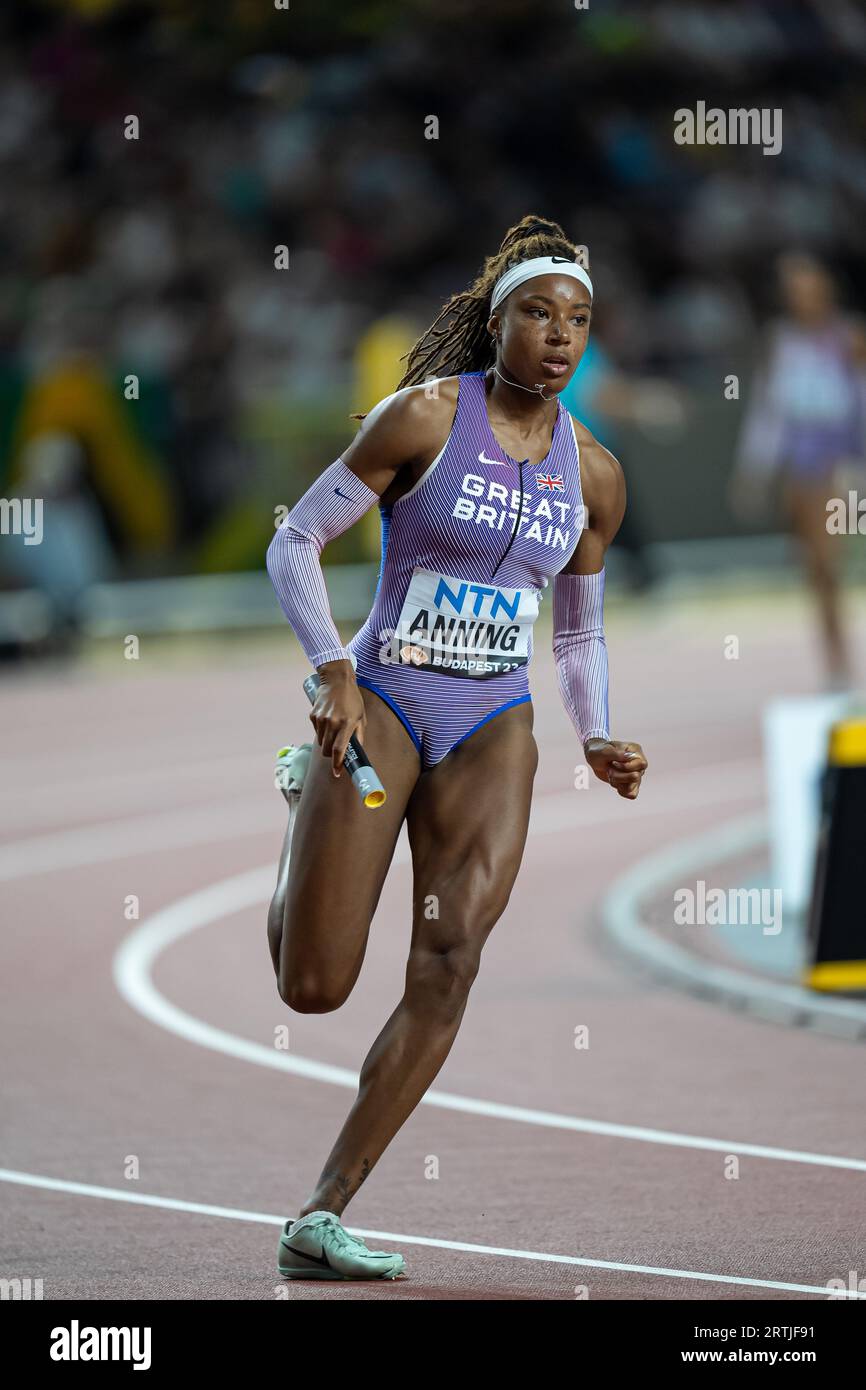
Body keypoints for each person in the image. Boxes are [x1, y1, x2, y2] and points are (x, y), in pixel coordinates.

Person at [265, 215, 648, 1281]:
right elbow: (294, 539)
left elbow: (576, 630)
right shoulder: (422, 419)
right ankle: (302, 813)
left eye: (577, 320)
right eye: (537, 313)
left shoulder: (595, 476)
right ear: (496, 323)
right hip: (382, 694)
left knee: (450, 958)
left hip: (490, 720)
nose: (559, 335)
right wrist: (329, 668)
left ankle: (321, 1210)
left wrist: (598, 729)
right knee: (314, 990)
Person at [730, 252, 866, 688]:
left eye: (808, 289)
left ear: (826, 290)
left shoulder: (849, 337)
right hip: (802, 470)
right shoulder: (779, 341)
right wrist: (753, 472)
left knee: (831, 559)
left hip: (841, 462)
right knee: (819, 570)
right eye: (792, 292)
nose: (801, 299)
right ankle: (837, 663)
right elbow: (768, 414)